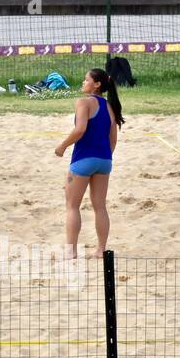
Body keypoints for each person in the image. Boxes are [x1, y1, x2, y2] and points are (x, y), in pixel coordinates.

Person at [54, 68, 124, 259]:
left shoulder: (83, 102)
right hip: (104, 160)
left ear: (97, 84)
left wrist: (62, 146)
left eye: (86, 80)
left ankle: (71, 252)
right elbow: (113, 140)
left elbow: (80, 130)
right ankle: (101, 250)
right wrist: (103, 157)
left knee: (72, 206)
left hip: (83, 159)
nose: (83, 83)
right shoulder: (110, 106)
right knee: (100, 206)